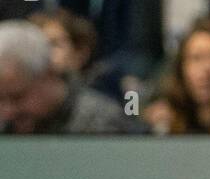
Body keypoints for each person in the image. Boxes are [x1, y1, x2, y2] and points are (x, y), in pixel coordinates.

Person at [0, 22, 132, 133]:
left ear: (48, 74)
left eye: (17, 97)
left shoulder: (100, 122)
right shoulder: (7, 124)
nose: (6, 112)